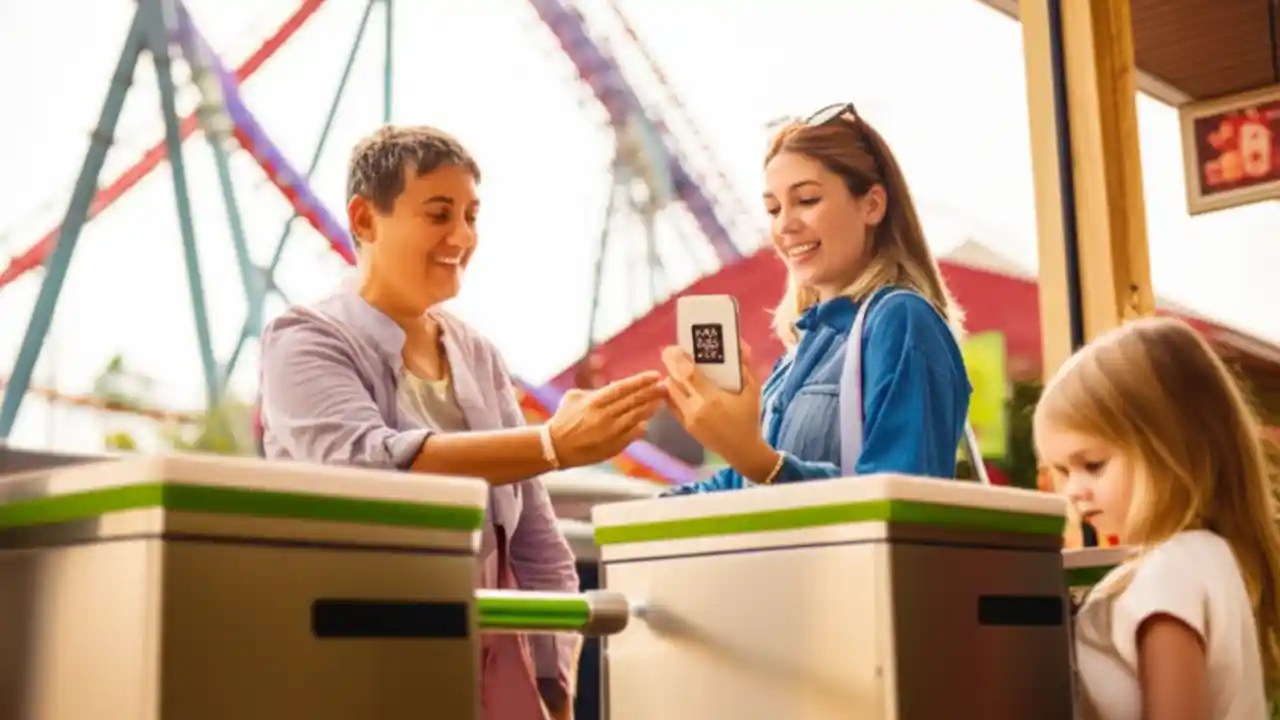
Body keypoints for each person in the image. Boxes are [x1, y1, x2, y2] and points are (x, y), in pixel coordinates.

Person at [258, 125, 664, 720]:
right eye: (439, 214)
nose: (462, 236)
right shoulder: (305, 340)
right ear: (365, 219)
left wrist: (554, 688)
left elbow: (538, 543)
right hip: (354, 659)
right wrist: (550, 443)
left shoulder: (477, 354)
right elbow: (367, 469)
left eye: (471, 216)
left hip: (485, 670)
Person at [661, 102, 971, 493]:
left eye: (807, 200)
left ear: (872, 205)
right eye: (773, 209)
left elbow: (900, 496)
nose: (784, 225)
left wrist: (761, 461)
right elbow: (740, 483)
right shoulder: (796, 354)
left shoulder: (901, 319)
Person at [1035, 317, 1280, 719]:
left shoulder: (1169, 571)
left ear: (1172, 450)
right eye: (1062, 471)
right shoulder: (1211, 556)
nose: (1073, 490)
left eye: (1093, 465)